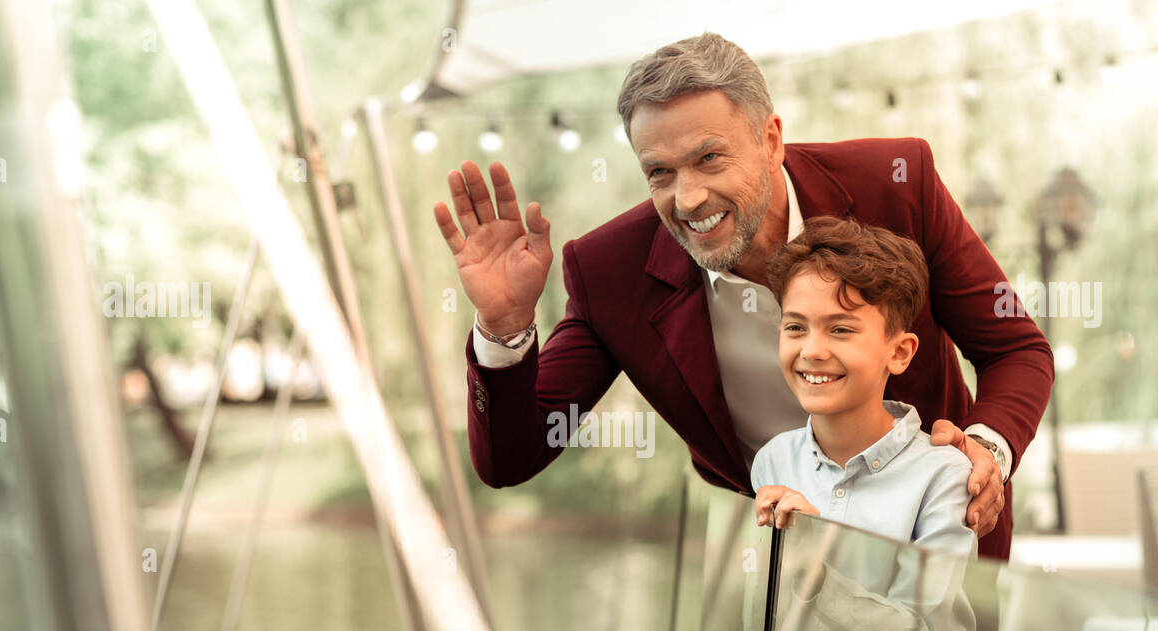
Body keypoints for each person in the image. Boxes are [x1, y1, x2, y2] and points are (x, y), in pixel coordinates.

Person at [434, 32, 1052, 561]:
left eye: (709, 158)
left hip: (941, 548)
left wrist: (986, 452)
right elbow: (511, 458)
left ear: (771, 139)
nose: (689, 198)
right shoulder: (609, 270)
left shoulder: (898, 182)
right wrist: (502, 324)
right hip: (764, 577)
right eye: (660, 172)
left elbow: (1017, 350)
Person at [748, 215, 997, 631]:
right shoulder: (772, 462)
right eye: (795, 326)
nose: (811, 350)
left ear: (899, 352)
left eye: (841, 329)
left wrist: (810, 555)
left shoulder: (944, 478)